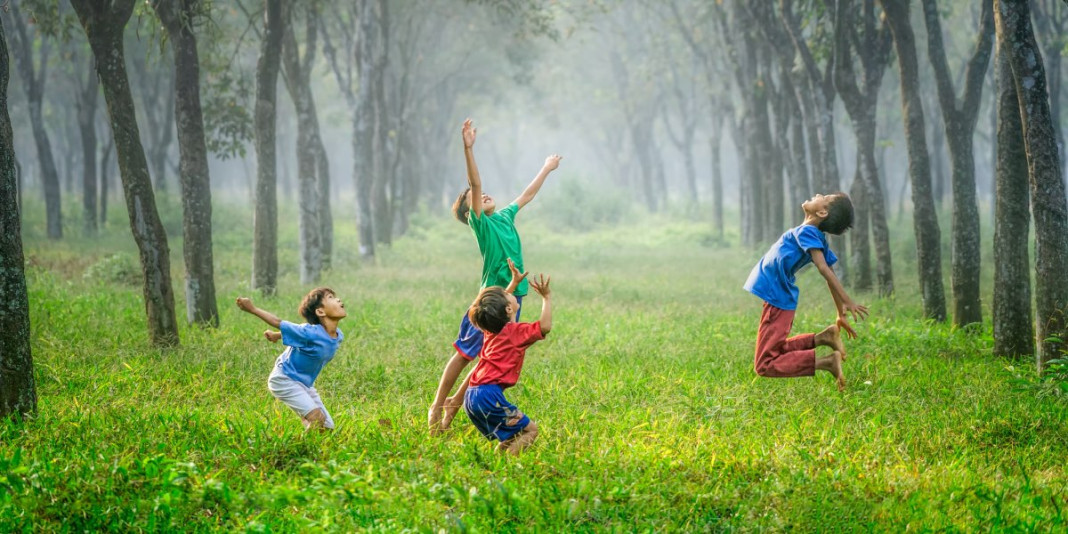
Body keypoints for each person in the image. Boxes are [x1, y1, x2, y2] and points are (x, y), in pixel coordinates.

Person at [428, 118, 562, 433]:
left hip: (513, 297)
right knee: (464, 353)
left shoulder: (503, 216)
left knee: (491, 356)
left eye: (485, 194)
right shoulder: (481, 224)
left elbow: (526, 195)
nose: (483, 194)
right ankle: (437, 406)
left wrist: (546, 168)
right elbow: (474, 184)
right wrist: (468, 148)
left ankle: (452, 411)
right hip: (490, 299)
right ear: (468, 211)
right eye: (473, 198)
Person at [742, 192, 868, 391]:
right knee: (776, 349)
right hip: (778, 297)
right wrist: (840, 312)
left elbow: (824, 269)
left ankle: (826, 363)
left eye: (824, 197)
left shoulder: (809, 232)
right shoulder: (812, 234)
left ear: (822, 212)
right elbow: (830, 271)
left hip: (777, 298)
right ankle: (823, 338)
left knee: (764, 364)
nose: (818, 194)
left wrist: (847, 300)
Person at [463, 261, 552, 455]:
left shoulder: (491, 329)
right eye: (507, 294)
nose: (509, 292)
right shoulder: (516, 332)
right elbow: (544, 326)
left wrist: (513, 283)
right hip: (489, 398)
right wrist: (546, 298)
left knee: (514, 433)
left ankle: (498, 461)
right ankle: (506, 468)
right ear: (508, 310)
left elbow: (496, 307)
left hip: (472, 396)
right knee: (531, 430)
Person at [236, 288, 347, 430]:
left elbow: (300, 336)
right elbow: (278, 322)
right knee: (317, 419)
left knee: (327, 428)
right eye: (331, 297)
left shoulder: (338, 336)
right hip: (284, 379)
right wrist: (252, 309)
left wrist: (277, 335)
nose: (338, 300)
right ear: (320, 312)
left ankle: (308, 426)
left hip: (305, 385)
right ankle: (297, 448)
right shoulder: (309, 332)